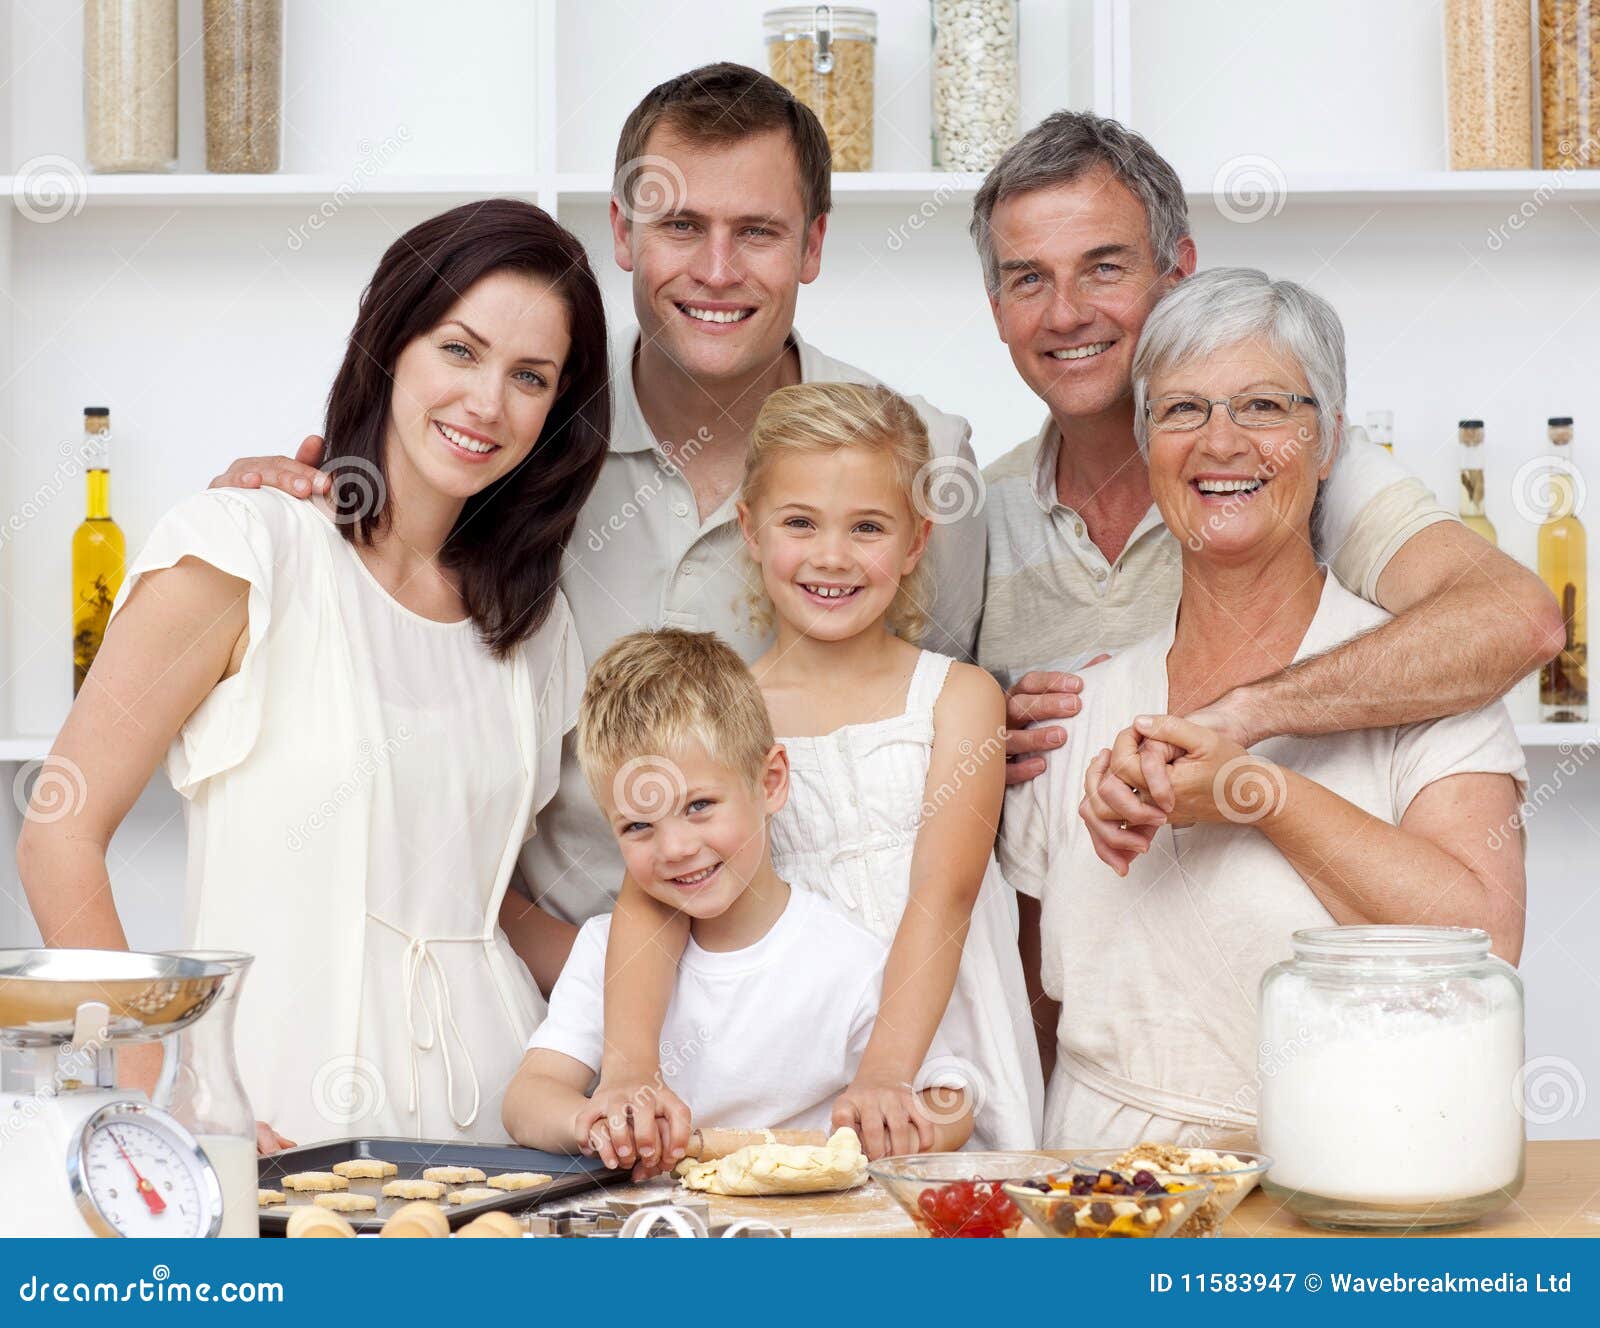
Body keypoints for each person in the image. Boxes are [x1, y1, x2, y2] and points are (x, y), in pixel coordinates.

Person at [205, 62, 988, 937]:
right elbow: (386, 630)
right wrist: (284, 501)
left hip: (832, 1010)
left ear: (812, 245)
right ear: (623, 229)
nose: (717, 270)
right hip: (548, 996)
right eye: (681, 226)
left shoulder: (924, 463)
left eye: (758, 232)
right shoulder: (519, 428)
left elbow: (949, 731)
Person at [18, 200, 610, 1148]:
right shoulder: (245, 547)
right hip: (272, 1126)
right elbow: (60, 826)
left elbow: (470, 882)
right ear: (390, 341)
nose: (488, 403)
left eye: (530, 377)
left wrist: (668, 994)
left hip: (501, 1142)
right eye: (460, 350)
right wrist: (164, 1086)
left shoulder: (532, 624)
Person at [998, 268, 1528, 1149]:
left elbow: (1482, 946)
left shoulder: (1431, 688)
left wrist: (1262, 794)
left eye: (1266, 407)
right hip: (1098, 1187)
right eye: (1181, 411)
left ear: (1329, 443)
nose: (1222, 443)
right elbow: (1032, 1008)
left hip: (1347, 1176)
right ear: (1146, 445)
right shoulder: (1074, 708)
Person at [979, 112, 1560, 791]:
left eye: (1103, 268)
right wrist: (969, 729)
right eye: (1028, 279)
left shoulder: (1297, 468)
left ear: (1178, 274)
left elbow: (1517, 620)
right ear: (996, 309)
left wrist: (1245, 713)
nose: (1066, 313)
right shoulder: (978, 512)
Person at [595, 384, 1041, 1163]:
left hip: (927, 1056)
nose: (831, 557)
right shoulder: (721, 706)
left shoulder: (959, 699)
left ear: (913, 544)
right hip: (786, 1053)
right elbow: (652, 894)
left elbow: (946, 895)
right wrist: (629, 1069)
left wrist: (883, 1078)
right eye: (799, 523)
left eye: (867, 527)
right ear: (750, 531)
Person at [502, 628, 973, 1165]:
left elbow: (951, 1099)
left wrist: (900, 1124)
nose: (676, 847)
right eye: (637, 826)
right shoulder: (605, 953)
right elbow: (527, 1098)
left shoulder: (847, 960)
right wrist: (590, 1120)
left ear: (770, 782)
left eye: (699, 805)